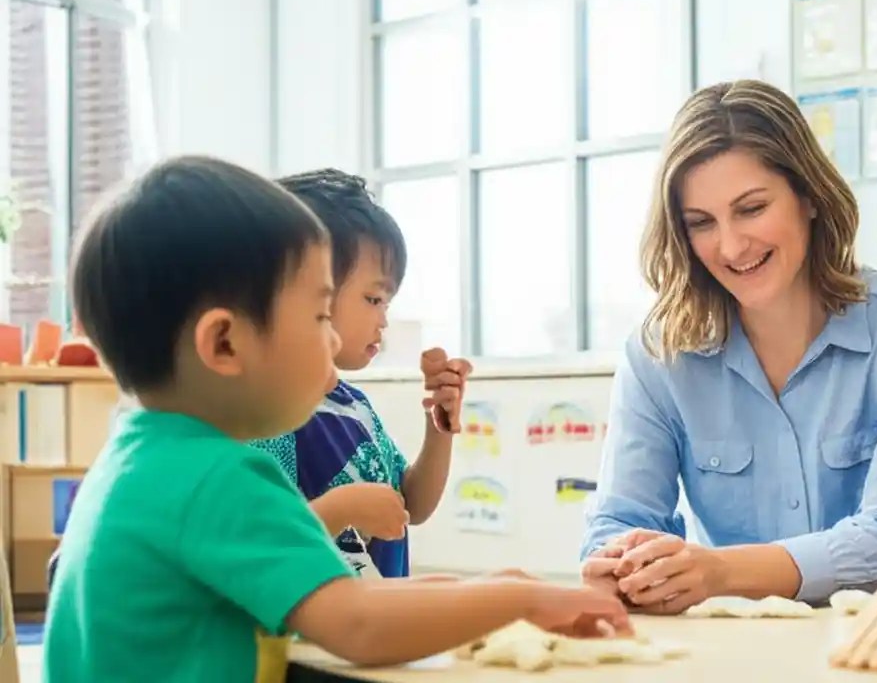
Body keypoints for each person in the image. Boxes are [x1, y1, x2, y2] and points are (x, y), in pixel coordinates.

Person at [44, 156, 629, 681]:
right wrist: (516, 602)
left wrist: (490, 591)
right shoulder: (219, 479)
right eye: (321, 314)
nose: (333, 338)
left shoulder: (142, 460)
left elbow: (346, 590)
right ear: (224, 343)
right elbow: (356, 623)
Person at [579, 79, 877, 613]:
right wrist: (619, 561)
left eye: (752, 208)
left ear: (808, 196)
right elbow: (621, 518)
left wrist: (718, 571)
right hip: (732, 645)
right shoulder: (657, 355)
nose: (732, 246)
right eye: (702, 223)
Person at [248, 168, 465, 579]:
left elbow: (411, 506)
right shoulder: (270, 415)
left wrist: (439, 426)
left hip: (371, 631)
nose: (383, 320)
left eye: (386, 302)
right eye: (373, 298)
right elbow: (265, 543)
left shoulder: (354, 407)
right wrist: (343, 509)